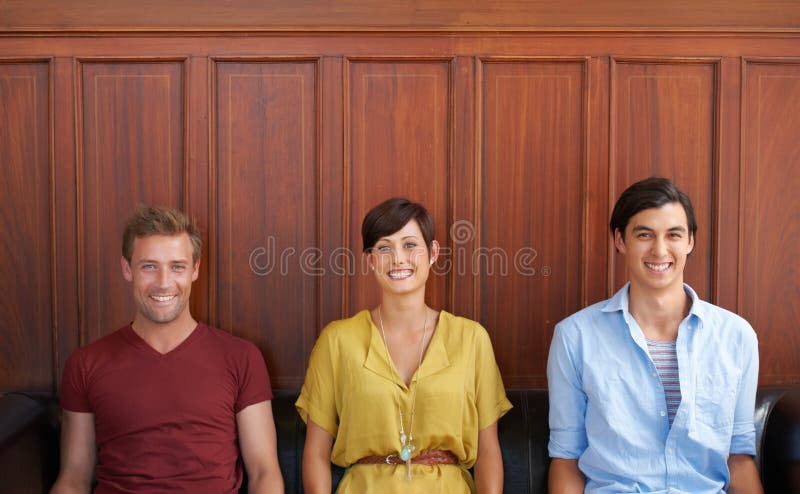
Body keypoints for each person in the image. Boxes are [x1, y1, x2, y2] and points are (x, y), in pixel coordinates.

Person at [547, 177, 762, 493]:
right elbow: (566, 459)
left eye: (673, 235)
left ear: (690, 241)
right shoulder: (574, 337)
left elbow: (738, 459)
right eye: (644, 234)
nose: (660, 250)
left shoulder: (737, 337)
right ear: (620, 240)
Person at [51, 206, 284, 493]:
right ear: (127, 269)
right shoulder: (86, 363)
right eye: (149, 266)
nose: (163, 282)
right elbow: (74, 478)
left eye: (177, 266)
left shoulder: (241, 357)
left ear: (195, 270)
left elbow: (264, 473)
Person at [296, 197, 512, 493]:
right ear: (370, 260)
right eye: (384, 247)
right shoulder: (337, 341)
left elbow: (488, 452)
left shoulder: (472, 339)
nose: (398, 259)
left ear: (432, 253)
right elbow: (316, 453)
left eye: (410, 245)